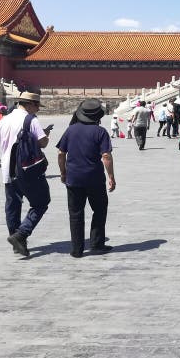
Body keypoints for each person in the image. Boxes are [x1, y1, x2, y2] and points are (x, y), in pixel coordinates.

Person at [56, 99, 115, 258]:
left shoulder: (70, 130)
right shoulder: (100, 132)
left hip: (74, 178)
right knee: (100, 210)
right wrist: (111, 177)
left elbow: (61, 154)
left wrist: (63, 172)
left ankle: (77, 249)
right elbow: (106, 155)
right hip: (95, 178)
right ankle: (97, 244)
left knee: (75, 213)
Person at [0, 91, 53, 257]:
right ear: (28, 104)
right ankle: (21, 234)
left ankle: (16, 243)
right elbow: (43, 143)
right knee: (41, 202)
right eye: (36, 106)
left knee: (13, 205)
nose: (37, 109)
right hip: (27, 169)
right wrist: (45, 135)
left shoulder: (4, 120)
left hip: (7, 168)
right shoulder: (30, 120)